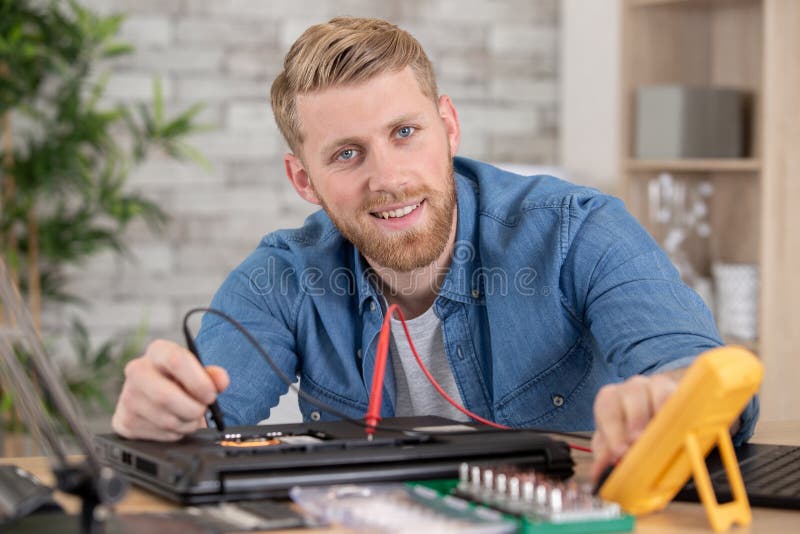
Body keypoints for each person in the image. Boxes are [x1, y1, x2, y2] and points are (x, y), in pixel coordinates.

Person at [111, 17, 758, 481]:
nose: (387, 178)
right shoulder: (280, 278)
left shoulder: (577, 230)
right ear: (303, 180)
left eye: (404, 132)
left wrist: (673, 399)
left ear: (447, 127)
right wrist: (154, 420)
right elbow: (200, 431)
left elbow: (706, 380)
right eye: (346, 154)